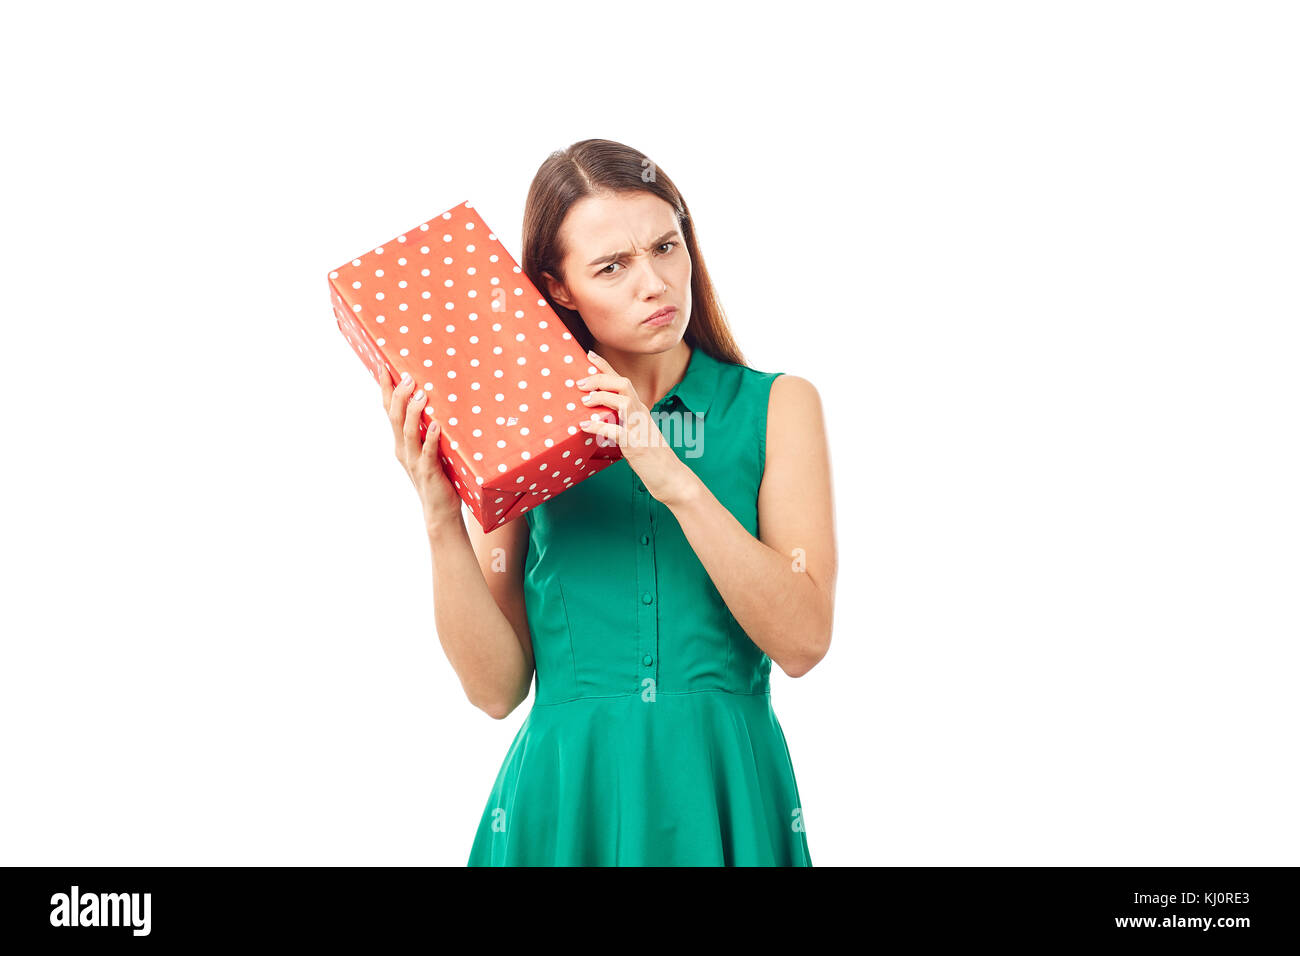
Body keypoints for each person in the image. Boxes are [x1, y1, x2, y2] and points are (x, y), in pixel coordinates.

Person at [379, 139, 836, 865]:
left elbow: (805, 642)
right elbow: (495, 690)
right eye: (612, 267)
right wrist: (439, 513)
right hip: (564, 804)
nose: (655, 283)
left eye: (666, 246)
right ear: (558, 289)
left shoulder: (778, 406)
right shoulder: (521, 433)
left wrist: (671, 475)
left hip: (723, 792)